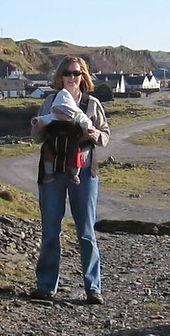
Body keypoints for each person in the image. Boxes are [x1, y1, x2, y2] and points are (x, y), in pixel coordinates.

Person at [30, 56, 110, 304]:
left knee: (86, 231)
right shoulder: (49, 101)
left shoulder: (92, 103)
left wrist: (95, 133)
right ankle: (45, 286)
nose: (72, 77)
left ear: (83, 76)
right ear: (60, 76)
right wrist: (40, 125)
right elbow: (36, 138)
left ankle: (93, 288)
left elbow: (106, 135)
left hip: (84, 172)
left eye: (76, 73)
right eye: (67, 73)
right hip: (51, 171)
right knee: (50, 230)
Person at [32, 88, 94, 183]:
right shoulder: (53, 117)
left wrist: (88, 129)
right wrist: (36, 122)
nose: (58, 115)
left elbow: (85, 121)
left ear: (69, 112)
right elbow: (43, 119)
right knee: (48, 156)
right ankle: (49, 174)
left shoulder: (76, 117)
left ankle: (74, 175)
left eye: (61, 113)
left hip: (72, 146)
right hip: (54, 145)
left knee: (76, 157)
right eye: (56, 112)